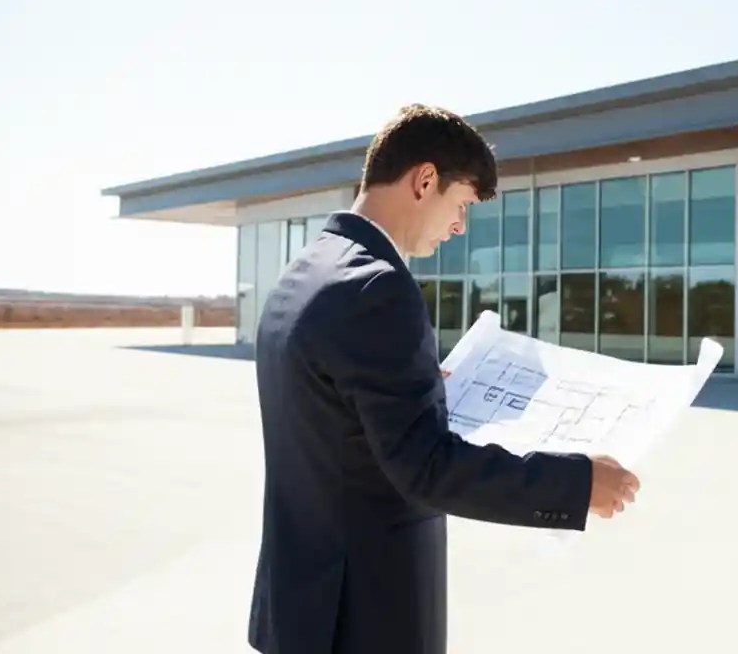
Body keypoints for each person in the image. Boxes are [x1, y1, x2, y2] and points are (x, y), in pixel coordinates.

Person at [247, 104, 641, 654]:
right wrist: (577, 484)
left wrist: (418, 382)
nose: (459, 227)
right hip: (363, 618)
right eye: (460, 206)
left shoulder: (306, 272)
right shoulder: (379, 288)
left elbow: (331, 412)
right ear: (424, 180)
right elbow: (427, 468)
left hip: (301, 608)